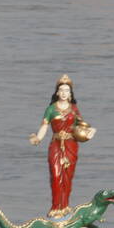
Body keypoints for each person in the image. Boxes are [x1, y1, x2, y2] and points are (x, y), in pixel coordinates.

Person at [29, 74, 95, 216]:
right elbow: (44, 126)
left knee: (67, 176)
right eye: (62, 90)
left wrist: (91, 131)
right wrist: (38, 138)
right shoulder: (51, 109)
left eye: (67, 90)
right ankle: (55, 207)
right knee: (56, 174)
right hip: (56, 144)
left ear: (70, 94)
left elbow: (82, 126)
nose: (64, 93)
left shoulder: (74, 109)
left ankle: (65, 206)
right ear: (57, 92)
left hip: (71, 144)